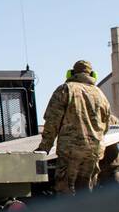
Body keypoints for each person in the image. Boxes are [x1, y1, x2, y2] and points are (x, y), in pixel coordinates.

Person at [36, 60, 114, 194]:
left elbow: (52, 121)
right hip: (94, 152)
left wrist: (44, 148)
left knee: (66, 189)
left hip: (70, 151)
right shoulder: (101, 95)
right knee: (85, 191)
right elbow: (106, 126)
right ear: (92, 74)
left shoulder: (66, 89)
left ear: (71, 73)